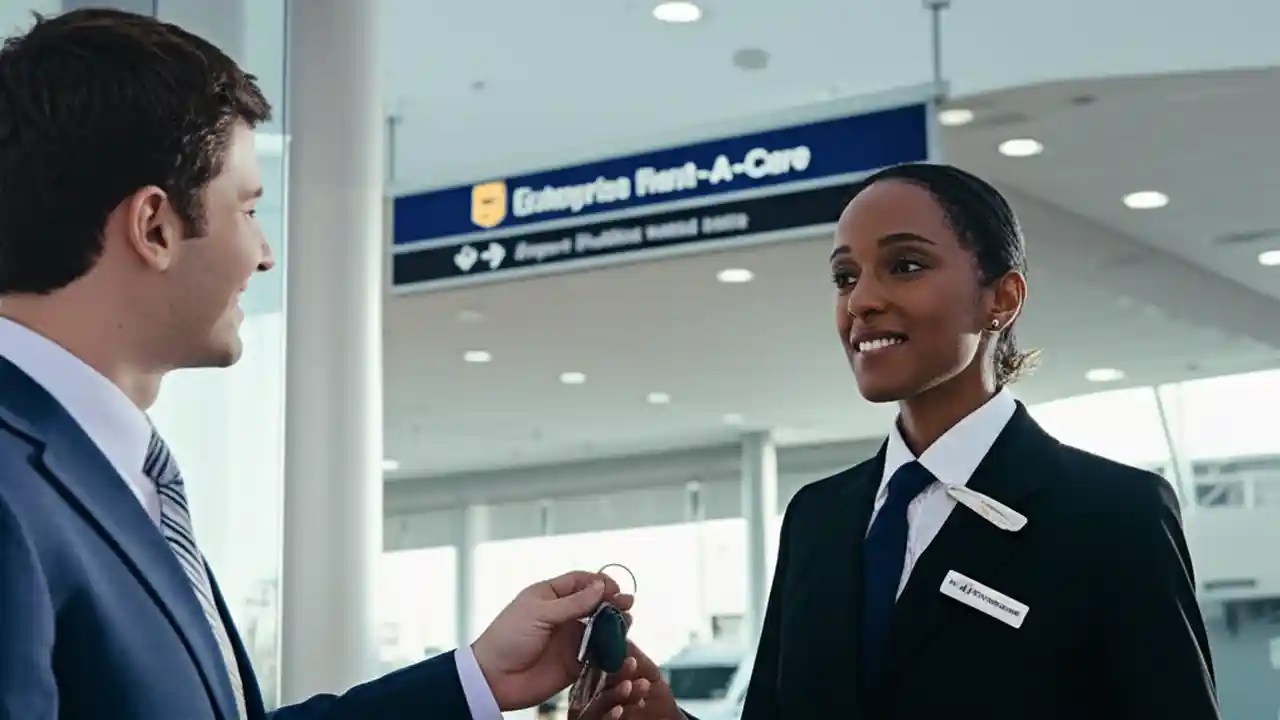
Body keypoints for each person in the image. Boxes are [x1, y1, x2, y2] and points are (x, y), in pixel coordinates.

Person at [0, 9, 650, 720]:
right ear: (154, 226)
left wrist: (477, 682)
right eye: (247, 210)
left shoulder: (104, 471)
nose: (264, 253)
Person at [731, 162, 1220, 718]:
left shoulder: (1113, 516)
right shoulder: (817, 518)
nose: (860, 301)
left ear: (1002, 298)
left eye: (904, 265)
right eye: (846, 277)